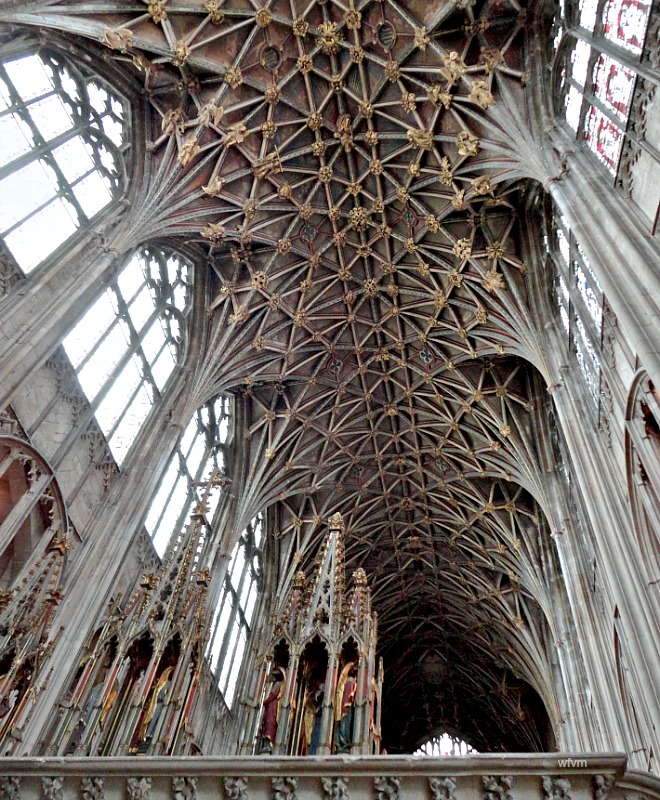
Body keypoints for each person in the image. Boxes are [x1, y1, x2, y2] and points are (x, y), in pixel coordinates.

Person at [259, 668, 285, 753]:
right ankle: (266, 744)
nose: (272, 678)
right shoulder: (274, 684)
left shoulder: (278, 684)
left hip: (273, 706)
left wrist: (265, 701)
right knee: (267, 723)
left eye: (274, 676)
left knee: (270, 724)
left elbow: (273, 695)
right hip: (270, 706)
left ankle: (269, 744)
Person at [334, 662, 357, 753]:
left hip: (348, 706)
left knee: (347, 724)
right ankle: (343, 742)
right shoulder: (350, 681)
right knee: (345, 724)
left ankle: (345, 741)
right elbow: (348, 694)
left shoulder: (352, 682)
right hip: (346, 706)